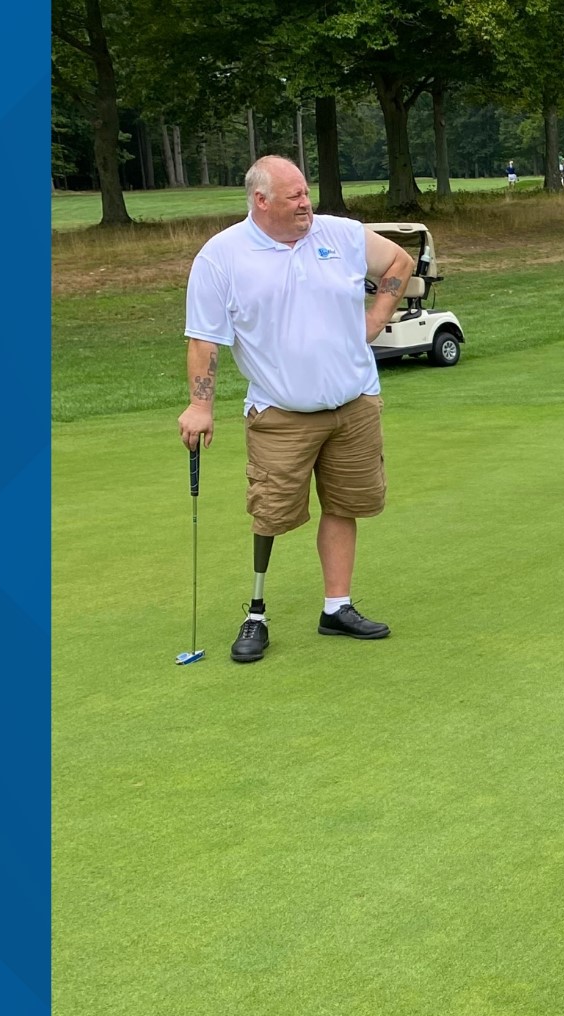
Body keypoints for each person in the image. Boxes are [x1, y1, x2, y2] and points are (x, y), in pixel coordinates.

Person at [179, 155, 415, 663]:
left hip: (353, 404)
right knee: (270, 512)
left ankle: (337, 607)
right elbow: (204, 340)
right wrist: (200, 405)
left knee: (345, 504)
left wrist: (375, 320)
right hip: (280, 413)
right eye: (294, 198)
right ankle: (256, 612)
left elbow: (400, 262)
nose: (306, 204)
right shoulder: (222, 257)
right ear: (261, 201)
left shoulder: (342, 235)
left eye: (306, 194)